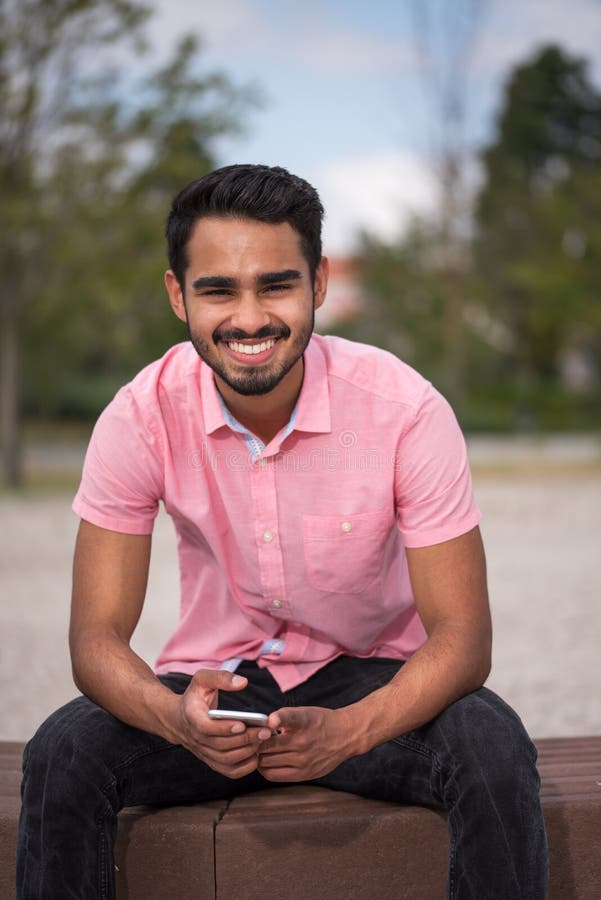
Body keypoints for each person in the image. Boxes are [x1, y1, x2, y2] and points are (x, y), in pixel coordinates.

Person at [17, 164, 548, 899]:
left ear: (318, 282)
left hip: (372, 679)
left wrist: (354, 729)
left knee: (490, 744)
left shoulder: (404, 409)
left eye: (275, 284)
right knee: (63, 751)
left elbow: (463, 639)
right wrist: (174, 717)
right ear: (178, 295)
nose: (249, 318)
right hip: (216, 687)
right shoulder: (139, 416)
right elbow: (95, 640)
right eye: (217, 290)